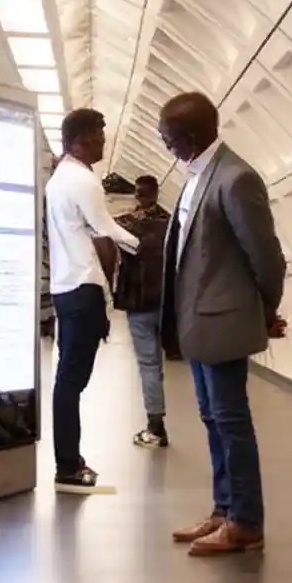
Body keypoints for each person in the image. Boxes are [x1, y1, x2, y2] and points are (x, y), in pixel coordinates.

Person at [157, 92, 286, 556]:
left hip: (223, 321)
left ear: (190, 137)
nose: (165, 146)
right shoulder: (197, 177)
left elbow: (267, 257)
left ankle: (246, 521)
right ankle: (223, 508)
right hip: (198, 323)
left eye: (168, 138)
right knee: (213, 419)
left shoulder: (236, 179)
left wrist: (264, 313)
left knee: (232, 422)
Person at [45, 108, 139, 492]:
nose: (103, 143)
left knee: (69, 380)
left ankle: (71, 459)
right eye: (99, 137)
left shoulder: (59, 179)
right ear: (80, 141)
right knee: (71, 382)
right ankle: (67, 466)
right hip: (82, 288)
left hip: (67, 288)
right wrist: (144, 243)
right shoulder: (83, 181)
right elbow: (106, 228)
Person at [111, 175, 172, 448]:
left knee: (149, 364)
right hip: (167, 301)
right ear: (158, 193)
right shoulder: (172, 223)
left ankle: (156, 425)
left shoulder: (126, 223)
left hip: (138, 301)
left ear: (137, 195)